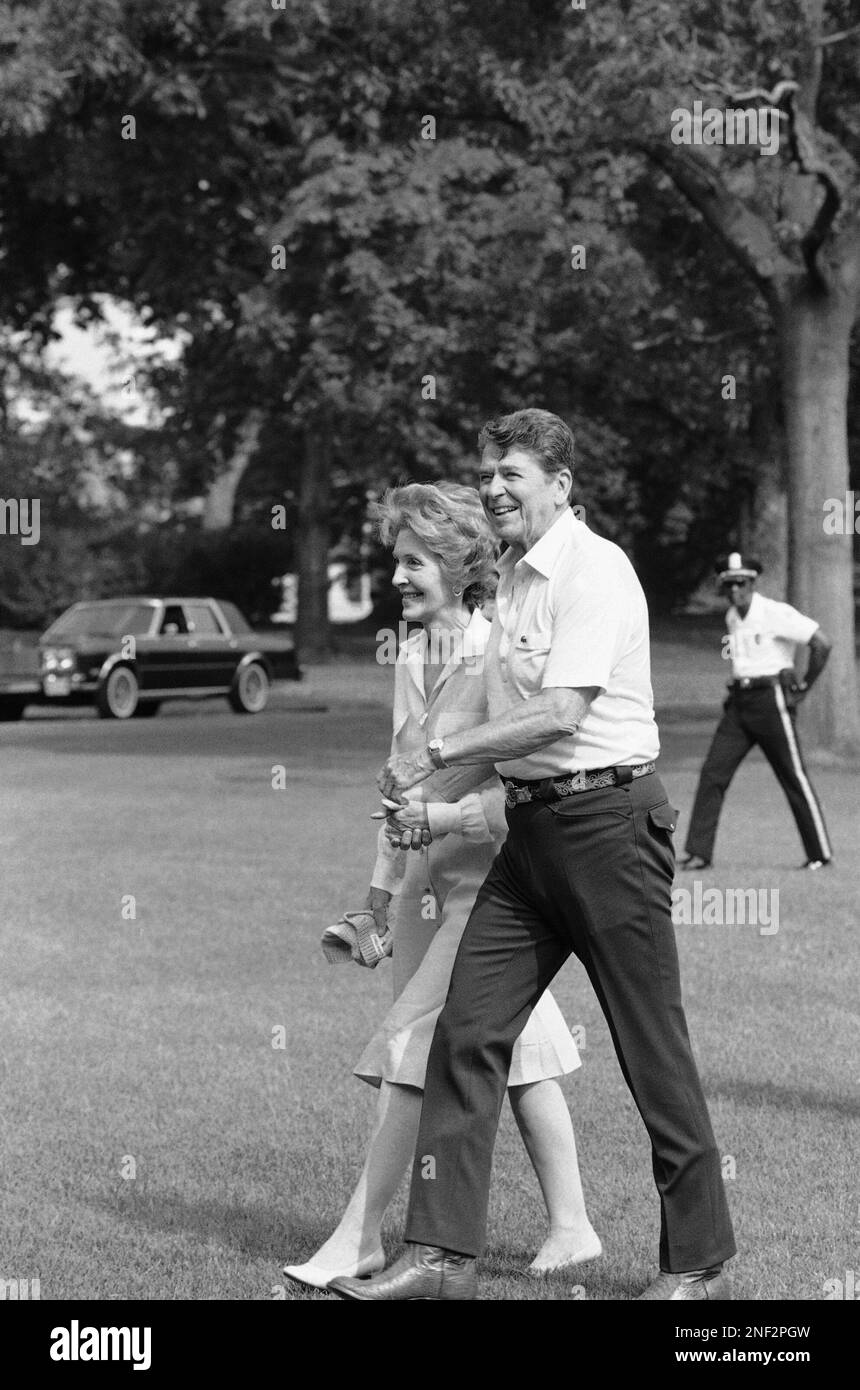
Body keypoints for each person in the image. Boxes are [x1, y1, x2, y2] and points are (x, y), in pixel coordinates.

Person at [330, 408, 736, 1303]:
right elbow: (494, 732)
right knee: (466, 1036)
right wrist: (423, 801)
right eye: (486, 473)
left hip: (610, 830)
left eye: (510, 472)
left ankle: (699, 1261)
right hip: (528, 834)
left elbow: (560, 712)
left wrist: (434, 757)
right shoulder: (509, 582)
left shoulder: (597, 572)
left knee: (649, 1045)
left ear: (560, 481)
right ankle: (442, 1261)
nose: (493, 488)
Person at [283, 482, 600, 1291]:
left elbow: (527, 794)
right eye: (396, 561)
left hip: (496, 889)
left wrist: (445, 817)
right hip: (425, 890)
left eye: (412, 561)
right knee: (511, 1049)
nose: (397, 576)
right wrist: (376, 902)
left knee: (412, 1050)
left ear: (462, 566)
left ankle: (360, 1234)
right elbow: (400, 786)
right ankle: (572, 1226)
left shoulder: (503, 653)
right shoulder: (411, 652)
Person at [680, 552, 832, 871]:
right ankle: (698, 852)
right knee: (712, 772)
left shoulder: (775, 613)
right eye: (730, 585)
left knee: (792, 775)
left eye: (742, 583)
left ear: (753, 583)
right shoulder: (733, 617)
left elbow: (822, 643)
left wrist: (804, 686)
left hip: (771, 699)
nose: (736, 591)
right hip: (739, 703)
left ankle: (820, 853)